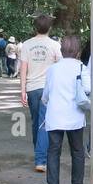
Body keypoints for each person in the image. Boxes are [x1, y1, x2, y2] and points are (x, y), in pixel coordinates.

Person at [41, 35, 89, 184]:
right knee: (77, 150)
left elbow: (46, 93)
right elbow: (88, 89)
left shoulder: (53, 68)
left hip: (55, 115)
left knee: (53, 151)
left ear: (61, 50)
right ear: (77, 51)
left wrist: (46, 101)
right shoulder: (82, 67)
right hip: (74, 116)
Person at [18, 15, 61, 172]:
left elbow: (23, 69)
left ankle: (39, 154)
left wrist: (22, 90)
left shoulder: (27, 45)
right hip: (48, 89)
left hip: (32, 89)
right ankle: (41, 160)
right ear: (50, 28)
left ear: (35, 27)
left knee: (37, 122)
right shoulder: (55, 45)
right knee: (43, 123)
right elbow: (60, 66)